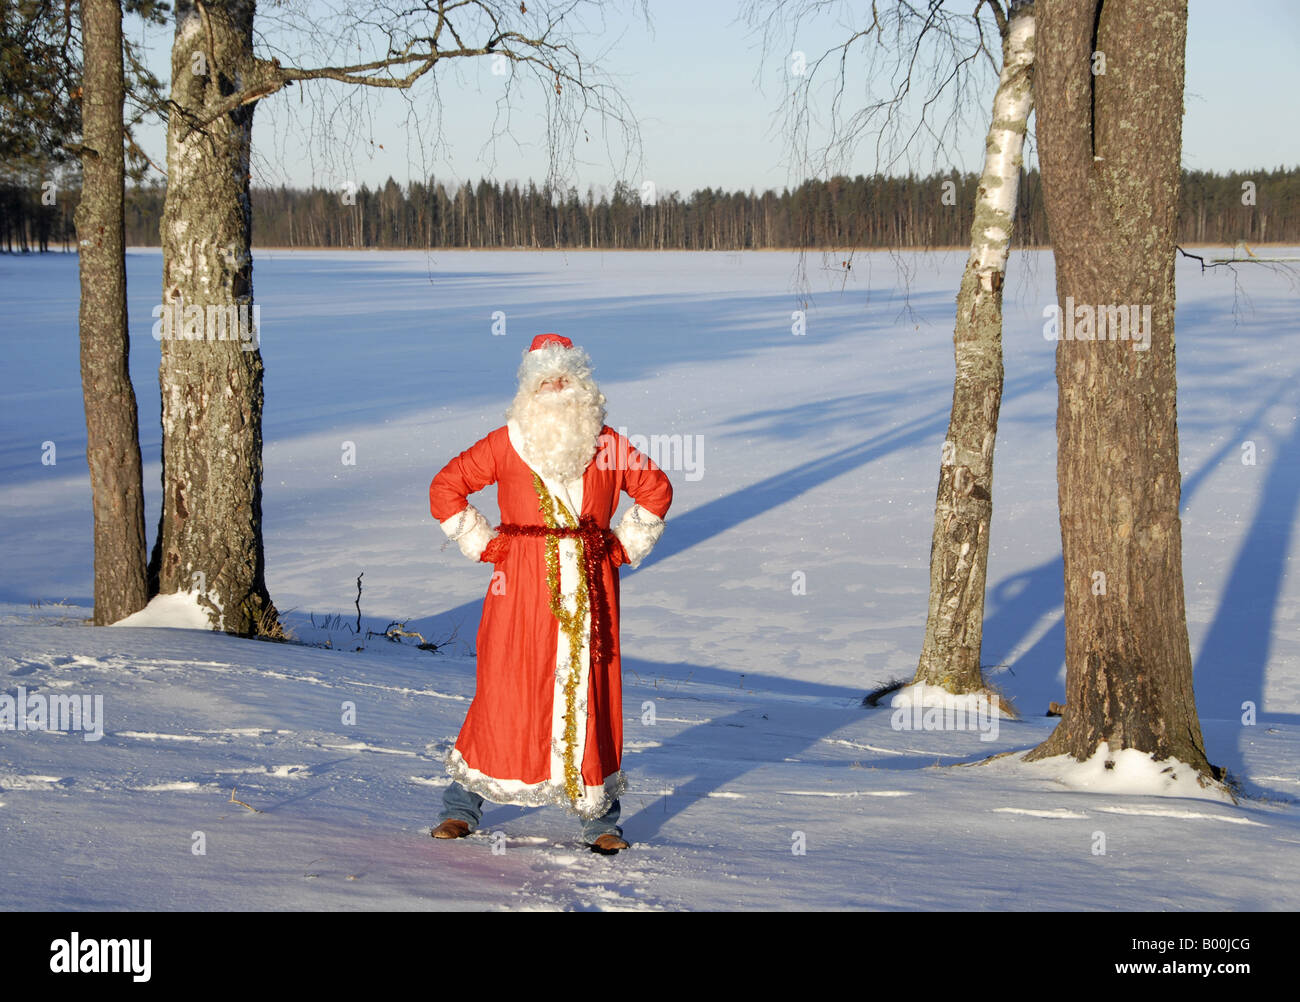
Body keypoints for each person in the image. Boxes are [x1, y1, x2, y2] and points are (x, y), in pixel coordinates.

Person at [428, 333, 673, 854]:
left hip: (591, 591)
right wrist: (484, 542)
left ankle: (599, 822)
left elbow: (655, 489)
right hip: (517, 591)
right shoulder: (504, 442)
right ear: (529, 388)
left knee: (591, 695)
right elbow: (445, 487)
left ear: (582, 386)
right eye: (546, 380)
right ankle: (461, 808)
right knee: (505, 691)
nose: (556, 388)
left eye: (565, 379)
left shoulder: (608, 446)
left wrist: (622, 547)